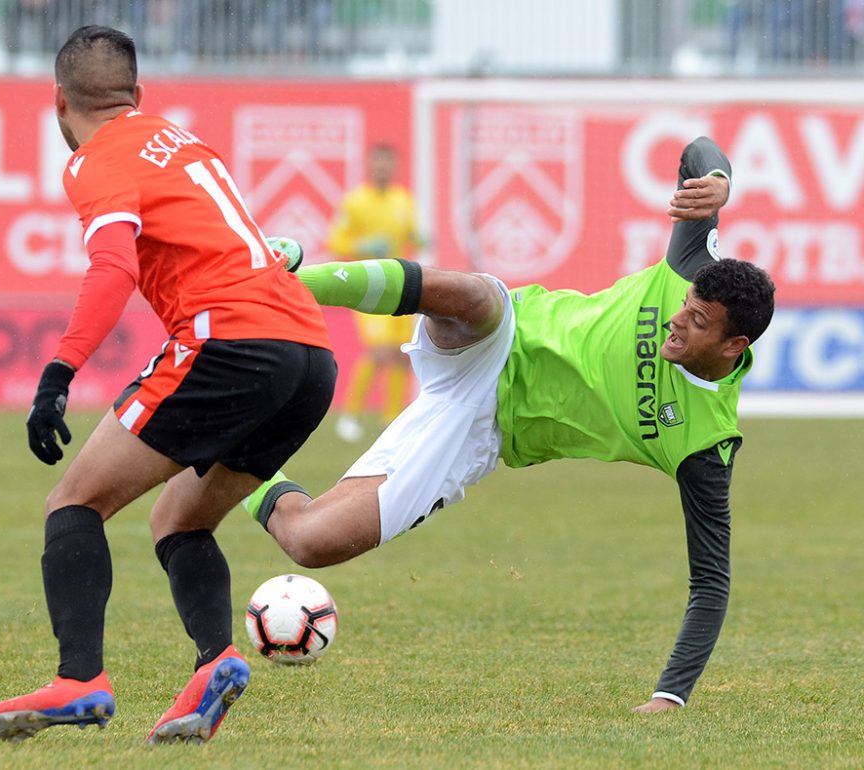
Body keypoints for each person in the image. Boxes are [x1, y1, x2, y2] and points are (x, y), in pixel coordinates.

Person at [244, 137, 776, 714]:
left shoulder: (704, 443)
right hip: (508, 331)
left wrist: (668, 697)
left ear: (733, 346)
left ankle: (229, 452)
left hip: (483, 427)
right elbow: (697, 151)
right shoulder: (692, 269)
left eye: (696, 322)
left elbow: (711, 585)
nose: (677, 320)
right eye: (685, 305)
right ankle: (287, 282)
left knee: (310, 542)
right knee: (474, 297)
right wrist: (720, 179)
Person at [0, 26, 335, 744]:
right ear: (138, 95)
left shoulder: (94, 159)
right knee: (179, 519)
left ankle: (80, 681)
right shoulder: (183, 143)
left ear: (58, 104)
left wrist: (59, 372)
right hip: (309, 354)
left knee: (74, 502)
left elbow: (112, 267)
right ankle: (215, 663)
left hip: (227, 341)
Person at [326, 143, 420, 442]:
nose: (383, 169)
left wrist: (418, 238)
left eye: (388, 164)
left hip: (398, 282)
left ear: (394, 167)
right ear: (370, 166)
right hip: (367, 284)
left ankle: (391, 419)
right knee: (379, 351)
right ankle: (350, 414)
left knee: (402, 353)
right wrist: (363, 246)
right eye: (378, 163)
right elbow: (336, 241)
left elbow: (412, 235)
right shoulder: (355, 202)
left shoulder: (403, 200)